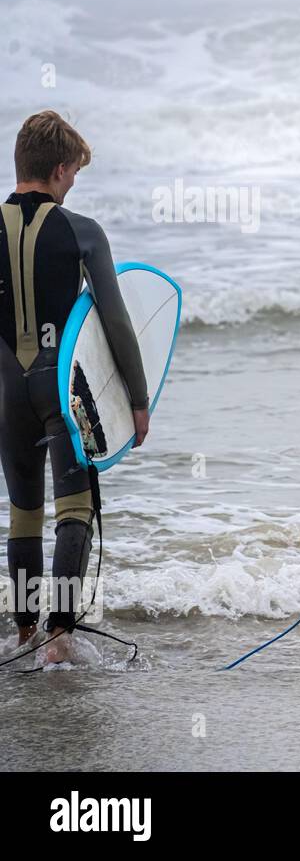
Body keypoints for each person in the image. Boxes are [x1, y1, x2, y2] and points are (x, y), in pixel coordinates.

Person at [1, 112, 149, 663]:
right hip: (61, 392)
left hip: (5, 396)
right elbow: (115, 321)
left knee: (23, 514)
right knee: (74, 511)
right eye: (74, 175)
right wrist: (136, 400)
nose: (73, 187)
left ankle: (21, 634)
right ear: (60, 169)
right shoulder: (82, 230)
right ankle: (59, 640)